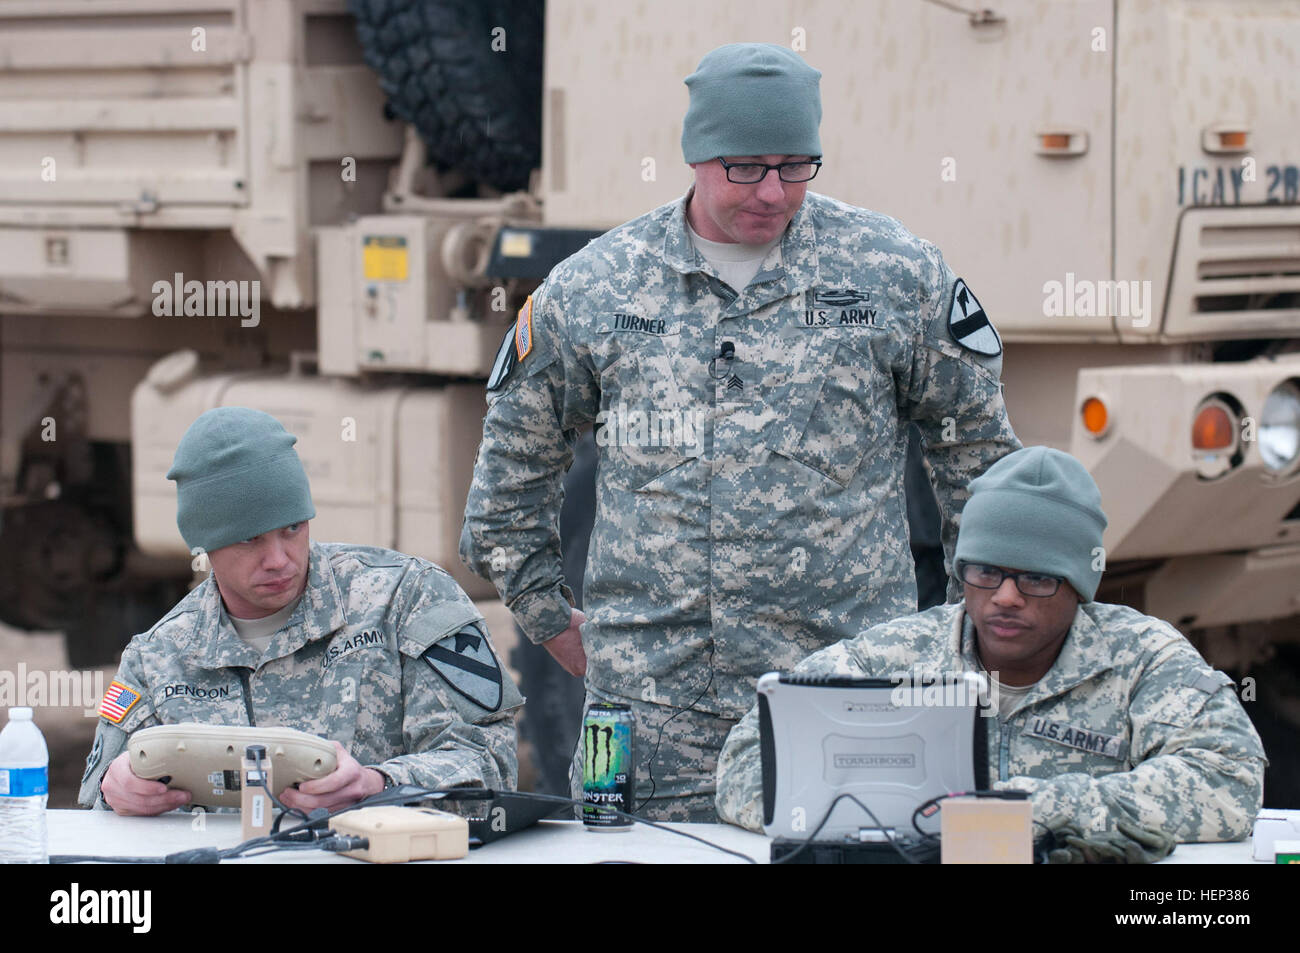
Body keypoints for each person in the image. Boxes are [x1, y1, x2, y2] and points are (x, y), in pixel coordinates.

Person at [460, 42, 1019, 820]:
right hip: (648, 724)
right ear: (697, 156)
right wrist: (551, 619)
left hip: (848, 698)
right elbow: (509, 482)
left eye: (795, 166)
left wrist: (967, 629)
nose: (772, 191)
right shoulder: (594, 288)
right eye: (746, 168)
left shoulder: (895, 276)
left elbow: (982, 463)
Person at [715, 447, 1266, 851]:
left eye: (1036, 580)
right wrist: (905, 816)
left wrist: (1035, 809)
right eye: (985, 572)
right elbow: (744, 764)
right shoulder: (898, 654)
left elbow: (1230, 780)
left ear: (1078, 587)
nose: (1005, 597)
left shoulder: (1143, 658)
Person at [79, 407, 522, 815]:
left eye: (292, 527)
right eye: (249, 539)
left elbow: (490, 765)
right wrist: (113, 791)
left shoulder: (408, 599)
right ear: (204, 544)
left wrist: (379, 784)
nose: (279, 559)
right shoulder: (158, 658)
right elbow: (96, 800)